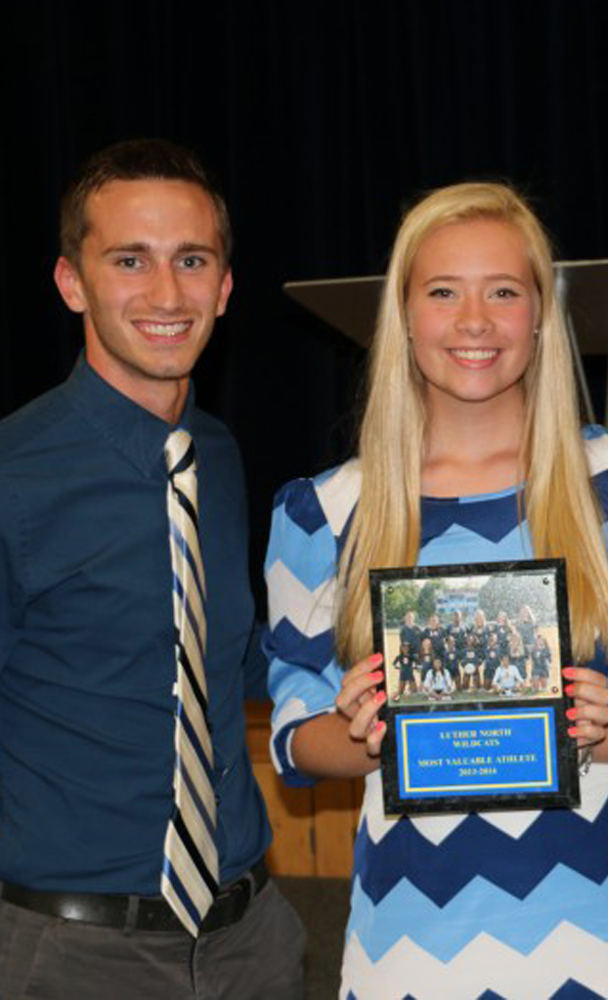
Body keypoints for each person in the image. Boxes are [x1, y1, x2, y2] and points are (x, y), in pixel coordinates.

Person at [264, 182, 608, 998]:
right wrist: (362, 729)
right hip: (411, 950)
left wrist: (599, 729)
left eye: (503, 291)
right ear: (402, 316)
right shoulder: (321, 511)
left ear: (540, 315)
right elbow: (292, 738)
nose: (475, 320)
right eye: (442, 292)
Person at [0, 139, 304, 998]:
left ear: (225, 286)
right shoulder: (13, 477)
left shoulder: (216, 453)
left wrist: (371, 666)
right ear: (71, 282)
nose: (167, 293)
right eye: (130, 260)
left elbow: (221, 654)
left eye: (192, 260)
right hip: (68, 956)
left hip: (251, 944)